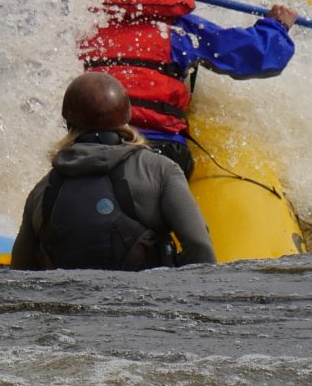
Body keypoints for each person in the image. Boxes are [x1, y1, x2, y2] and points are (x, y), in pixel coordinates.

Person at [79, 0, 296, 177]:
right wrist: (277, 26)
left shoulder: (78, 25)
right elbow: (256, 56)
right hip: (159, 150)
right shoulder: (176, 28)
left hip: (88, 147)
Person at [11, 72, 216, 270]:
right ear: (125, 118)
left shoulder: (42, 190)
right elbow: (199, 246)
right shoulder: (160, 170)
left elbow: (20, 272)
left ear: (67, 123)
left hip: (75, 303)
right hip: (147, 301)